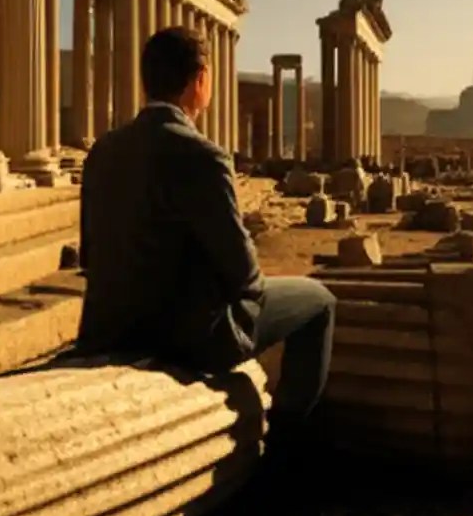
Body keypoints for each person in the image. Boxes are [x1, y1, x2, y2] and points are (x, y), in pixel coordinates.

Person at [77, 26, 335, 429]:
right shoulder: (203, 156)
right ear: (199, 80)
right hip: (187, 339)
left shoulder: (102, 151)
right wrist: (248, 304)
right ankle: (287, 435)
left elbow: (90, 254)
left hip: (110, 327)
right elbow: (244, 273)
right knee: (320, 300)